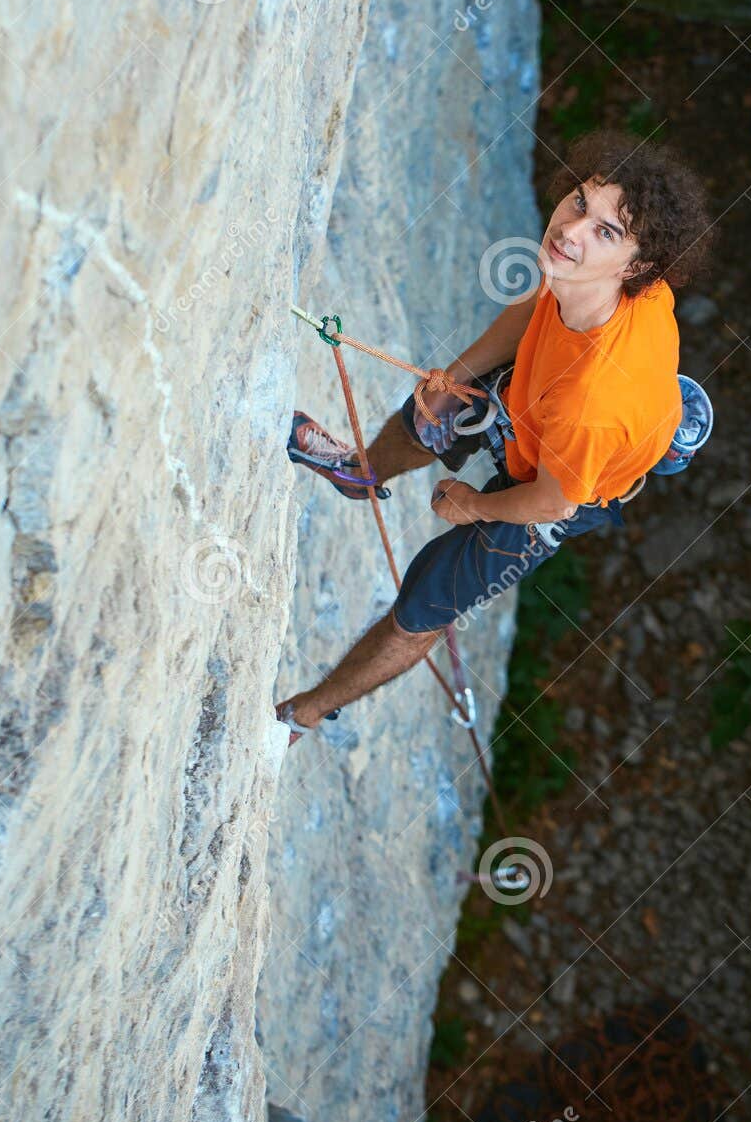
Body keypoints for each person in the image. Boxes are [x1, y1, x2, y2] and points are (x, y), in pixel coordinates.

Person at [278, 130, 714, 745]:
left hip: (560, 481)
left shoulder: (595, 401)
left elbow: (552, 500)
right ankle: (363, 472)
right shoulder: (593, 279)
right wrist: (450, 378)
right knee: (433, 412)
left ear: (637, 266)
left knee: (427, 603)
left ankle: (306, 712)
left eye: (604, 232)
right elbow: (533, 311)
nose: (572, 230)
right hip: (537, 406)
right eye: (581, 203)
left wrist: (474, 505)